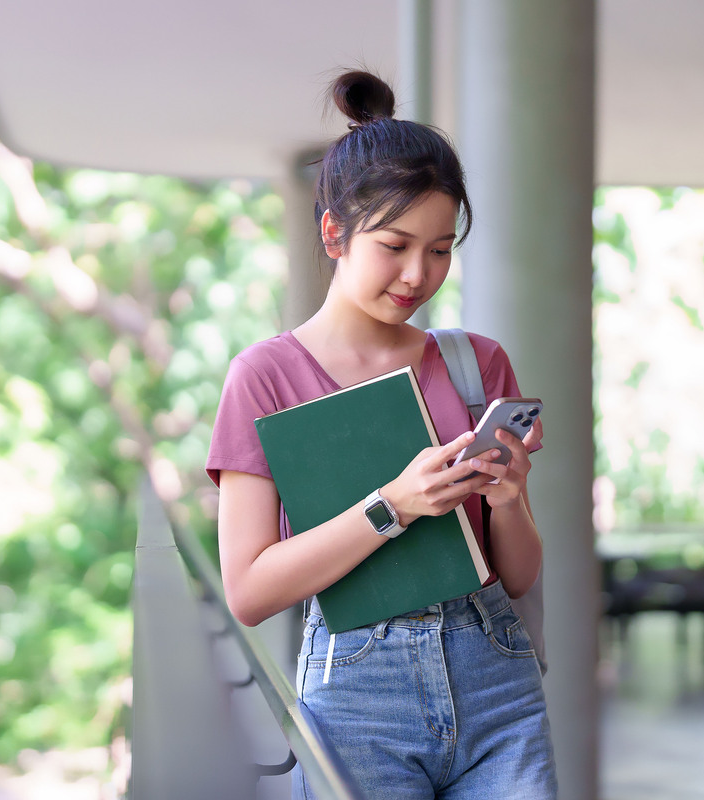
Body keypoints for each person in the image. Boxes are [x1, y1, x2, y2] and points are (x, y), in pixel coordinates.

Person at [206, 69, 556, 800]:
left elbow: (518, 576)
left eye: (439, 248)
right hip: (357, 693)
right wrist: (392, 505)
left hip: (496, 676)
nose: (417, 274)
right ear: (333, 231)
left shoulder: (475, 363)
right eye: (394, 245)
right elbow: (248, 589)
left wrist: (511, 502)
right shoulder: (265, 376)